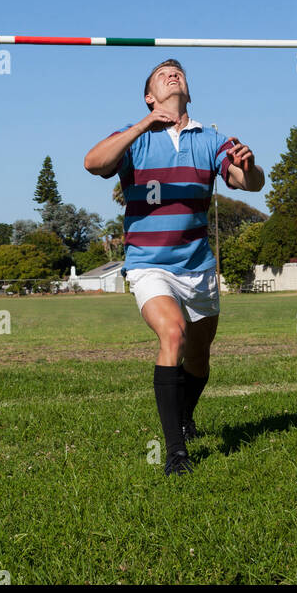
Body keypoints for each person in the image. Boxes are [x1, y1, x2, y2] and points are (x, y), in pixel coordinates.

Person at [83, 59, 264, 476]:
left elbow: (249, 183)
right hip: (149, 265)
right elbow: (93, 163)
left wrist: (249, 166)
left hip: (197, 267)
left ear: (188, 92)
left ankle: (185, 415)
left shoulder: (211, 138)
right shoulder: (136, 137)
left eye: (178, 73)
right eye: (162, 75)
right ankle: (176, 453)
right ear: (150, 96)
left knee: (199, 356)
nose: (172, 74)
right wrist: (143, 124)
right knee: (174, 334)